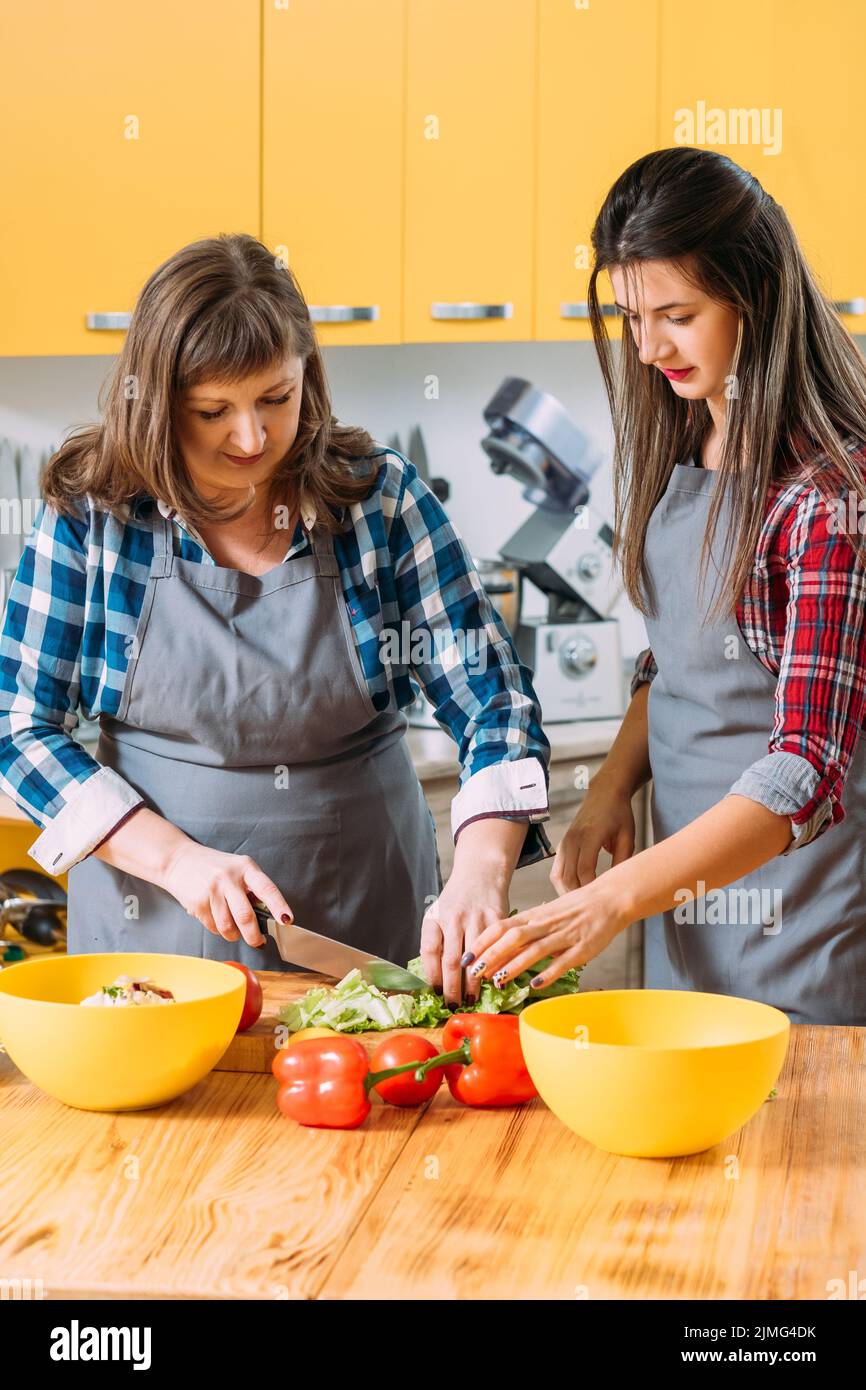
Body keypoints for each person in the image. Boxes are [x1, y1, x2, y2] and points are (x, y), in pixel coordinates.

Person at [0, 233, 552, 1008]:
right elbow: (18, 728)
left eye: (276, 398)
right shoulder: (95, 518)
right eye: (212, 411)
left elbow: (495, 701)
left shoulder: (380, 502)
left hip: (369, 919)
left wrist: (480, 873)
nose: (252, 439)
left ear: (308, 378)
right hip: (156, 920)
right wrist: (177, 861)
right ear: (157, 402)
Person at [464, 147, 866, 1025]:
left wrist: (613, 900)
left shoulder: (829, 501)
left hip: (803, 923)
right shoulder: (692, 439)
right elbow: (679, 660)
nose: (647, 349)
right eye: (630, 316)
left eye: (677, 315)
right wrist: (613, 785)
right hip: (685, 913)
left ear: (753, 297)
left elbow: (805, 768)